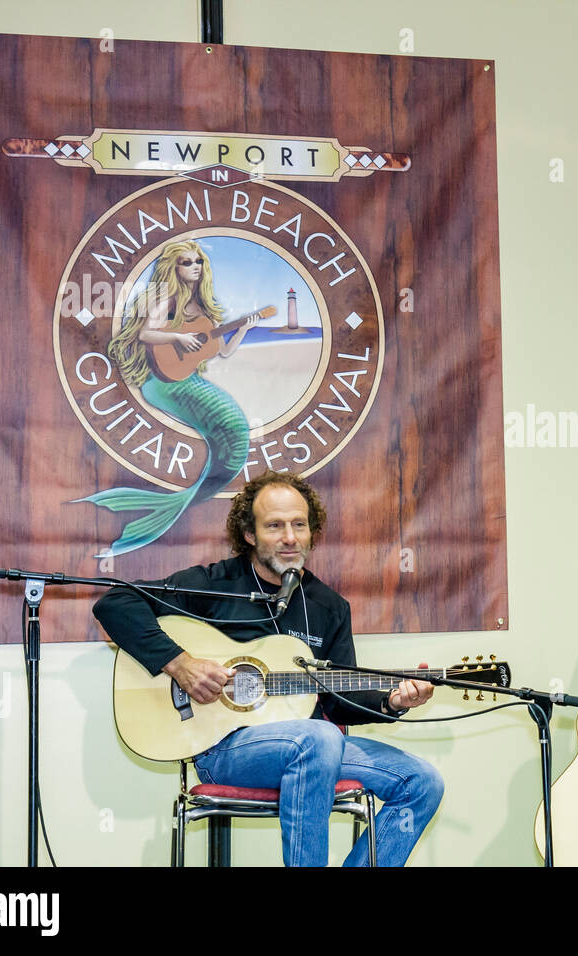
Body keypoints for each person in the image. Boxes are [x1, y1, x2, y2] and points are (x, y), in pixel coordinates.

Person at [94, 470, 443, 866]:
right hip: (223, 748)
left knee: (422, 782)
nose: (290, 537)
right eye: (275, 526)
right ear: (249, 534)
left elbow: (341, 700)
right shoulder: (215, 584)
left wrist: (392, 701)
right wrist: (181, 664)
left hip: (313, 750)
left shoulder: (328, 607)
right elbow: (116, 603)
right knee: (321, 737)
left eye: (299, 525)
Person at [83, 239, 259, 557]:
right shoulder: (166, 297)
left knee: (234, 432)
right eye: (186, 262)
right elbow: (145, 333)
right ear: (173, 267)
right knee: (231, 427)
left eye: (198, 262)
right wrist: (178, 335)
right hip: (164, 385)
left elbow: (225, 351)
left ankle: (172, 506)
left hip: (186, 379)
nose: (195, 267)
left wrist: (244, 329)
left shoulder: (204, 308)